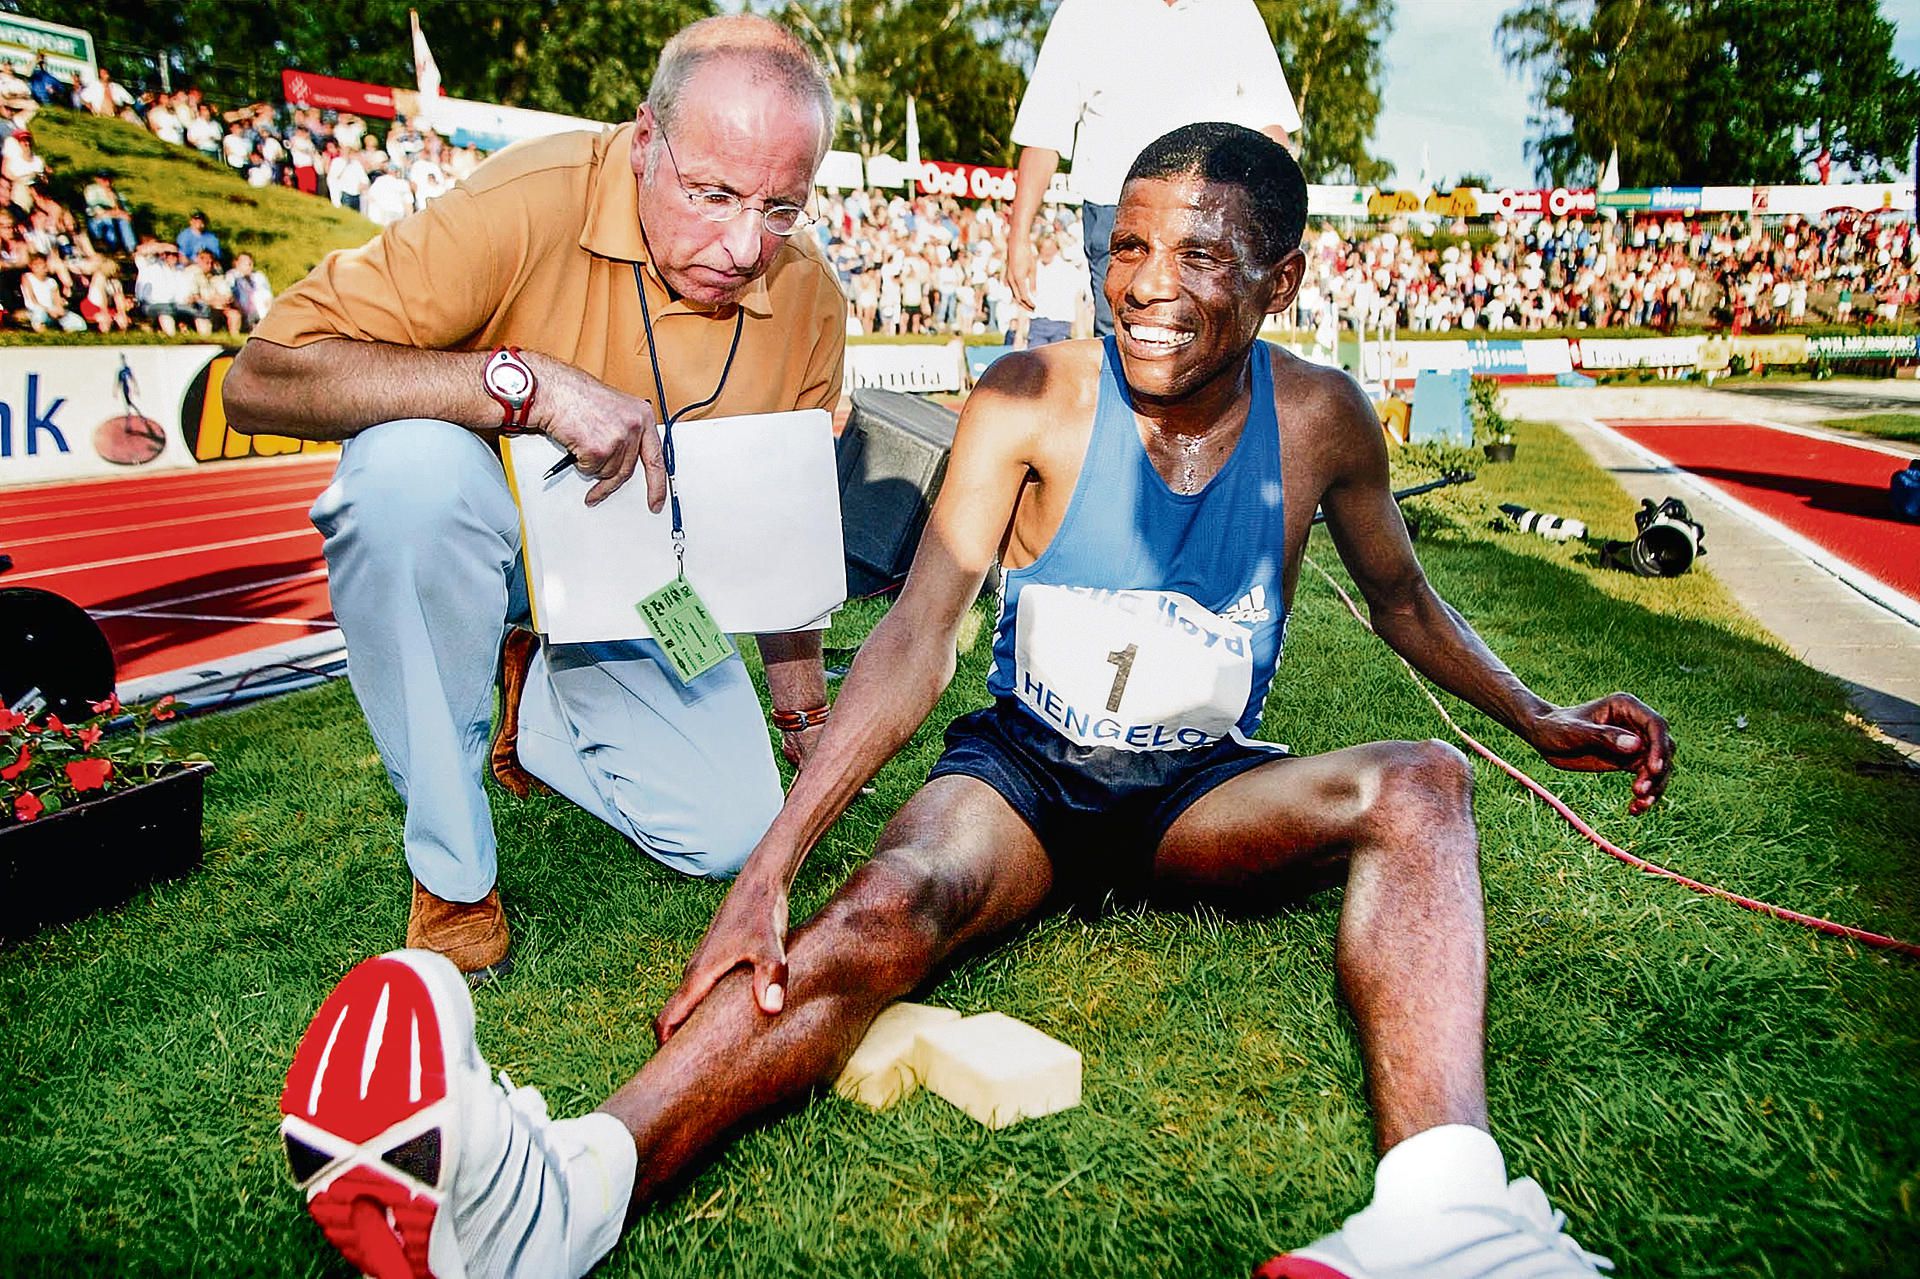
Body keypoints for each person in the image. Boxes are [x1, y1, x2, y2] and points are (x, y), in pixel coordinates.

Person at [279, 125, 1668, 1279]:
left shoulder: (1323, 420)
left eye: (1198, 253)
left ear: (1282, 277)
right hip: (1022, 776)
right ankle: (561, 1186)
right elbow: (920, 635)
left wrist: (1540, 714)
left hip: (1199, 785)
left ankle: (1451, 1209)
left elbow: (1408, 604)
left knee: (1423, 778)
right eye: (1126, 245)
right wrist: (772, 864)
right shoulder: (1025, 396)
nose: (1148, 285)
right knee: (883, 902)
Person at [222, 14, 847, 980]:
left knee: (731, 831)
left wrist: (804, 712)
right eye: (714, 193)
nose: (742, 246)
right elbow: (261, 378)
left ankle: (531, 691)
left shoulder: (810, 298)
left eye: (779, 208)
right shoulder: (527, 198)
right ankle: (453, 869)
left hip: (643, 582)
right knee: (404, 478)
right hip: (482, 537)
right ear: (646, 142)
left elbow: (780, 530)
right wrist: (528, 387)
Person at [1003, 0, 1300, 337]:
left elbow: (1270, 129)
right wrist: (1019, 238)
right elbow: (1044, 133)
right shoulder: (1085, 11)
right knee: (1128, 343)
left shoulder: (1234, 10)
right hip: (1117, 219)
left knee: (1211, 350)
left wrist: (1284, 230)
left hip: (1211, 220)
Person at [83, 172, 137, 254]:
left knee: (124, 221)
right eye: (104, 180)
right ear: (97, 180)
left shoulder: (118, 193)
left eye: (109, 179)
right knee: (108, 219)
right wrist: (117, 213)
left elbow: (128, 211)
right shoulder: (92, 190)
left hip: (113, 216)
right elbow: (96, 210)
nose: (107, 182)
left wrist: (115, 201)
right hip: (97, 220)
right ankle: (112, 247)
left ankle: (131, 249)